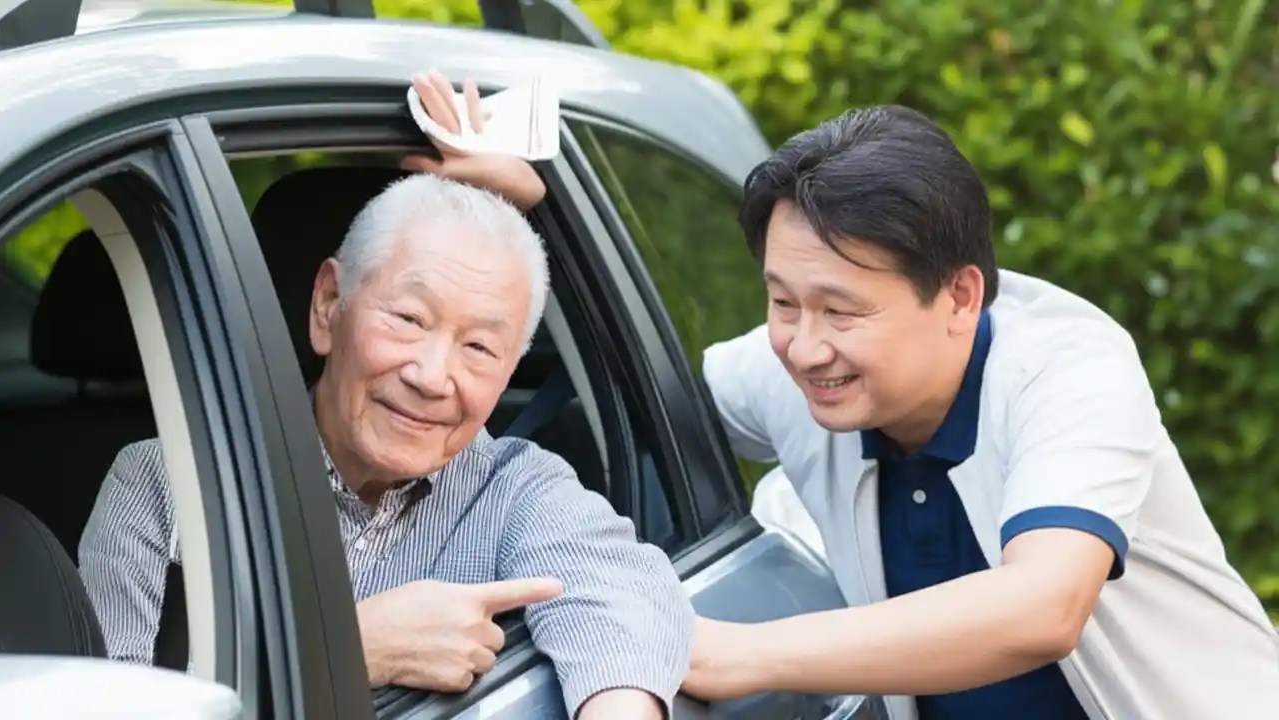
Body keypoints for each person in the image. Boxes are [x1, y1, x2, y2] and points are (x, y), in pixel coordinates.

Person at [78, 71, 691, 720]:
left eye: (479, 348)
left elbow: (623, 605)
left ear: (509, 371)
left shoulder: (518, 491)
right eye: (408, 319)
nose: (432, 375)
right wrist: (349, 647)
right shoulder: (165, 485)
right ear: (328, 305)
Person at [681, 105, 1279, 719]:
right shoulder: (790, 367)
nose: (805, 348)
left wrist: (730, 655)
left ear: (960, 297)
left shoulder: (1068, 370)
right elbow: (614, 421)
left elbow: (1040, 610)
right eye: (781, 300)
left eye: (842, 311)